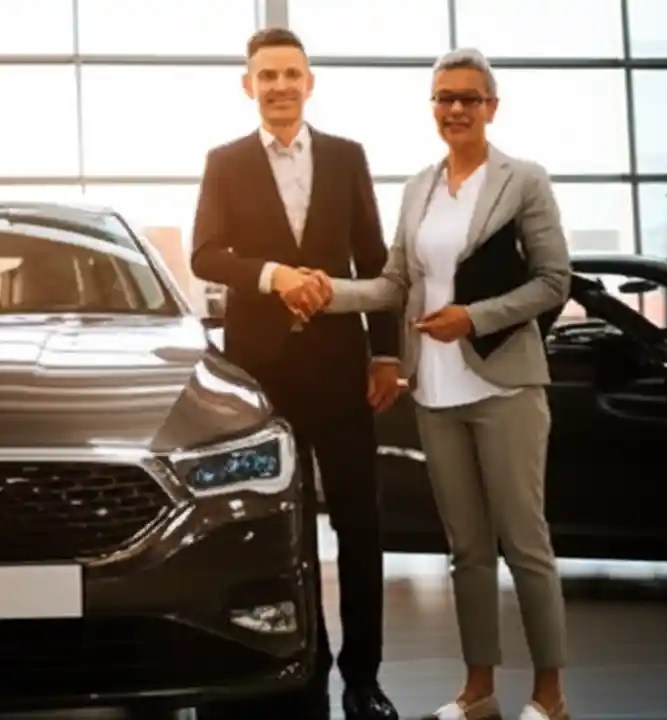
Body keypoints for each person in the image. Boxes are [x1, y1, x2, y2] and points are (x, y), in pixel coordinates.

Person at [282, 48, 572, 720]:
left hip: (505, 387)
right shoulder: (418, 187)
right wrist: (324, 293)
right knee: (466, 550)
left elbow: (554, 280)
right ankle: (479, 692)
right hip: (436, 392)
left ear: (491, 108)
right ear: (433, 108)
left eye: (470, 98)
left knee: (525, 545)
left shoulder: (522, 180)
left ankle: (550, 696)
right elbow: (393, 285)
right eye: (445, 98)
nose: (457, 109)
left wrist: (474, 316)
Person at [189, 26, 401, 720]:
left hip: (341, 370)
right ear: (248, 85)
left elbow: (373, 260)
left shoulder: (346, 158)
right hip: (262, 380)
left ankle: (363, 679)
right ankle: (299, 670)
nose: (279, 85)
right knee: (284, 528)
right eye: (266, 75)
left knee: (361, 528)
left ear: (310, 82)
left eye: (291, 74)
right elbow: (206, 255)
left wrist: (387, 352)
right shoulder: (225, 162)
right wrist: (273, 275)